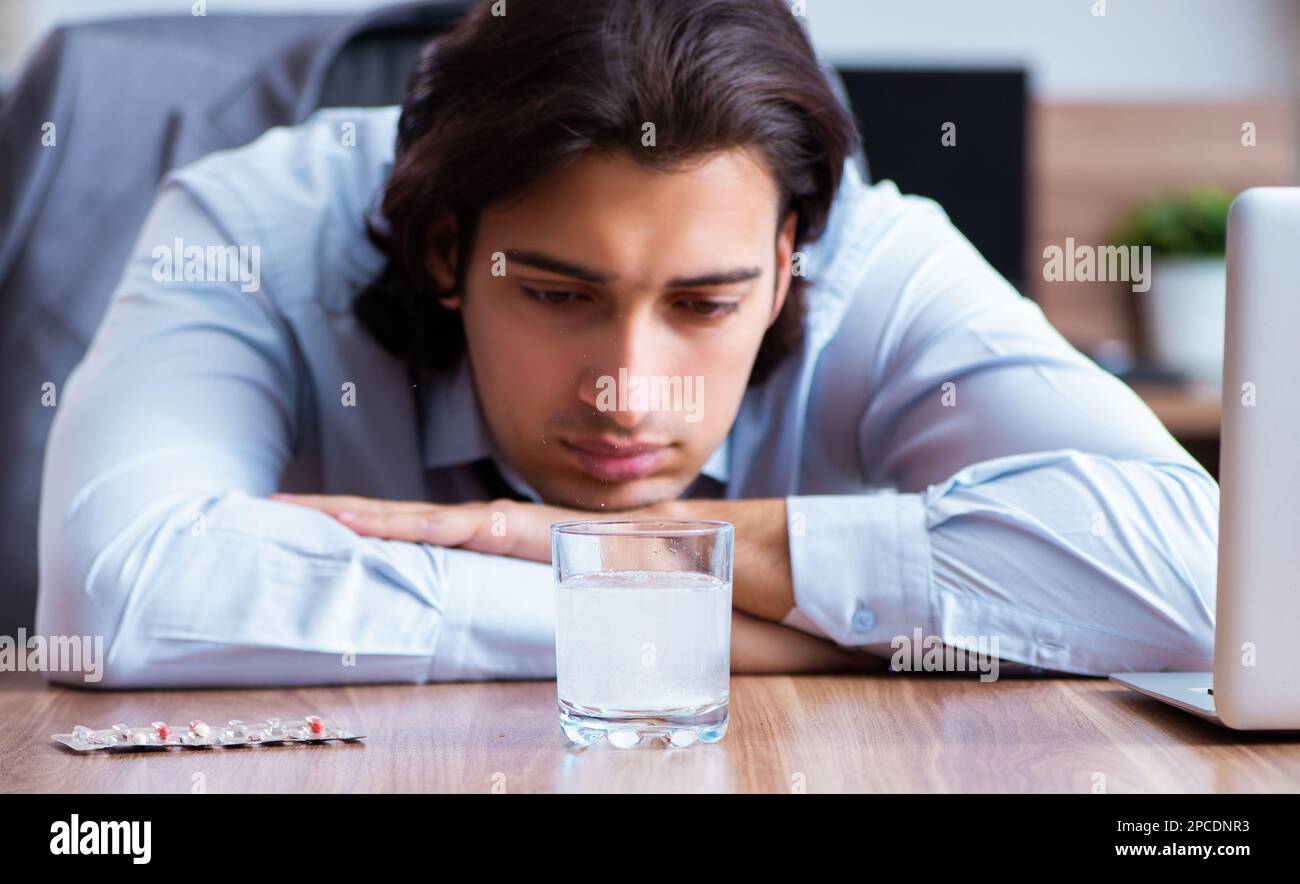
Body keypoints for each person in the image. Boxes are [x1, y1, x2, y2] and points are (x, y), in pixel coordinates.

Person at [36, 0, 1217, 688]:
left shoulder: (872, 254)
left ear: (790, 251)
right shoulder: (252, 226)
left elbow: (1216, 581)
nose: (625, 389)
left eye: (703, 304)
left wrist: (659, 548)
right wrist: (763, 628)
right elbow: (112, 596)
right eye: (556, 293)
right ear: (447, 249)